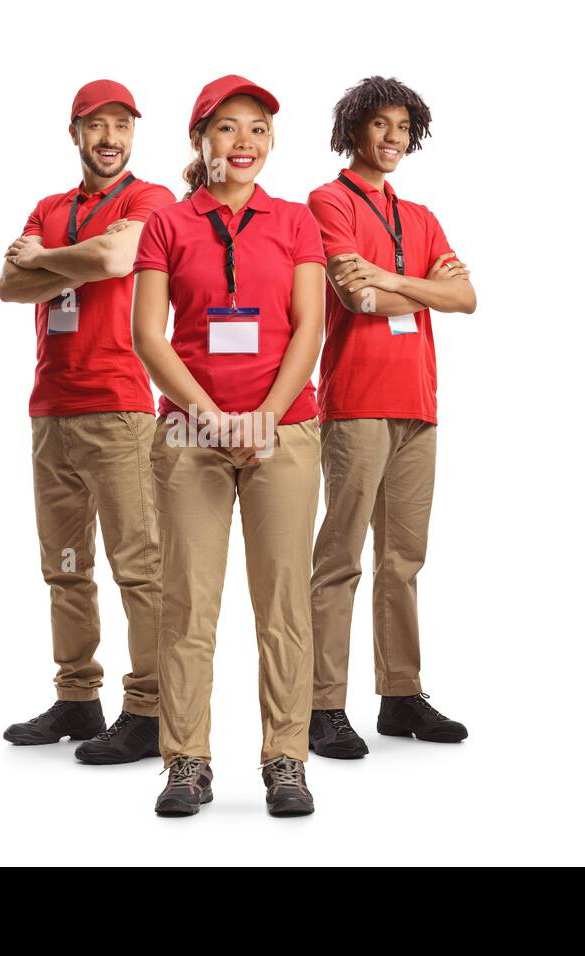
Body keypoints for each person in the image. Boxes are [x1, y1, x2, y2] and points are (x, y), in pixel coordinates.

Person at [131, 75, 326, 816]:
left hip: (286, 430)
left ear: (270, 144)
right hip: (190, 432)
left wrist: (268, 416)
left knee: (283, 601)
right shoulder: (167, 225)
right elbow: (148, 334)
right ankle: (186, 760)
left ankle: (286, 758)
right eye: (226, 129)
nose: (243, 143)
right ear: (199, 142)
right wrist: (212, 415)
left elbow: (310, 326)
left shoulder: (297, 221)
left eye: (257, 130)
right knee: (188, 602)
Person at [0, 79, 174, 764]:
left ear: (133, 135)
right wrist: (47, 266)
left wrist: (45, 260)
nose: (109, 138)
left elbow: (117, 257)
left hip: (120, 407)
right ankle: (77, 696)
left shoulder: (148, 200)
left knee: (138, 566)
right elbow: (9, 285)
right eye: (96, 126)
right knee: (66, 565)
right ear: (75, 133)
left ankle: (151, 708)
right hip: (52, 409)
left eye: (122, 126)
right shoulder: (48, 205)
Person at [304, 76, 477, 759]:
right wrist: (418, 289)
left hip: (418, 402)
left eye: (403, 127)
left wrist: (394, 279)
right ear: (354, 130)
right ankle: (322, 706)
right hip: (354, 403)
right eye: (380, 125)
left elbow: (465, 297)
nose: (393, 138)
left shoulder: (423, 216)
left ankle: (401, 694)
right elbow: (355, 300)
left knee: (404, 559)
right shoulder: (327, 201)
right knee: (341, 557)